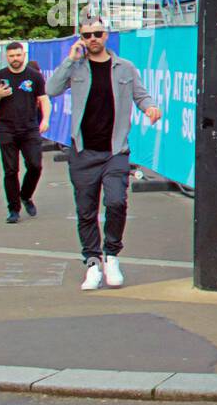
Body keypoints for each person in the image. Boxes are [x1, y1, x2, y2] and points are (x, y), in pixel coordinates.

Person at [47, 20, 161, 291]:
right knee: (86, 211)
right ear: (81, 38)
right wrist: (69, 59)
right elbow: (51, 89)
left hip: (115, 150)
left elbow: (141, 95)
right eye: (87, 35)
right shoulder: (76, 66)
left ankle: (111, 255)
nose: (93, 39)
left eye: (97, 34)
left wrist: (150, 108)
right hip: (82, 151)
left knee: (116, 201)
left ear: (106, 36)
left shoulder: (125, 67)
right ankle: (92, 263)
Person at [0, 42, 50, 224]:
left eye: (18, 55)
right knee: (11, 170)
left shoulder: (34, 76)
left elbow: (44, 99)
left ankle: (25, 195)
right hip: (6, 128)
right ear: (7, 57)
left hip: (29, 128)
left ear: (23, 55)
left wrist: (45, 119)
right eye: (11, 56)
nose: (15, 59)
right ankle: (13, 209)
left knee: (35, 165)